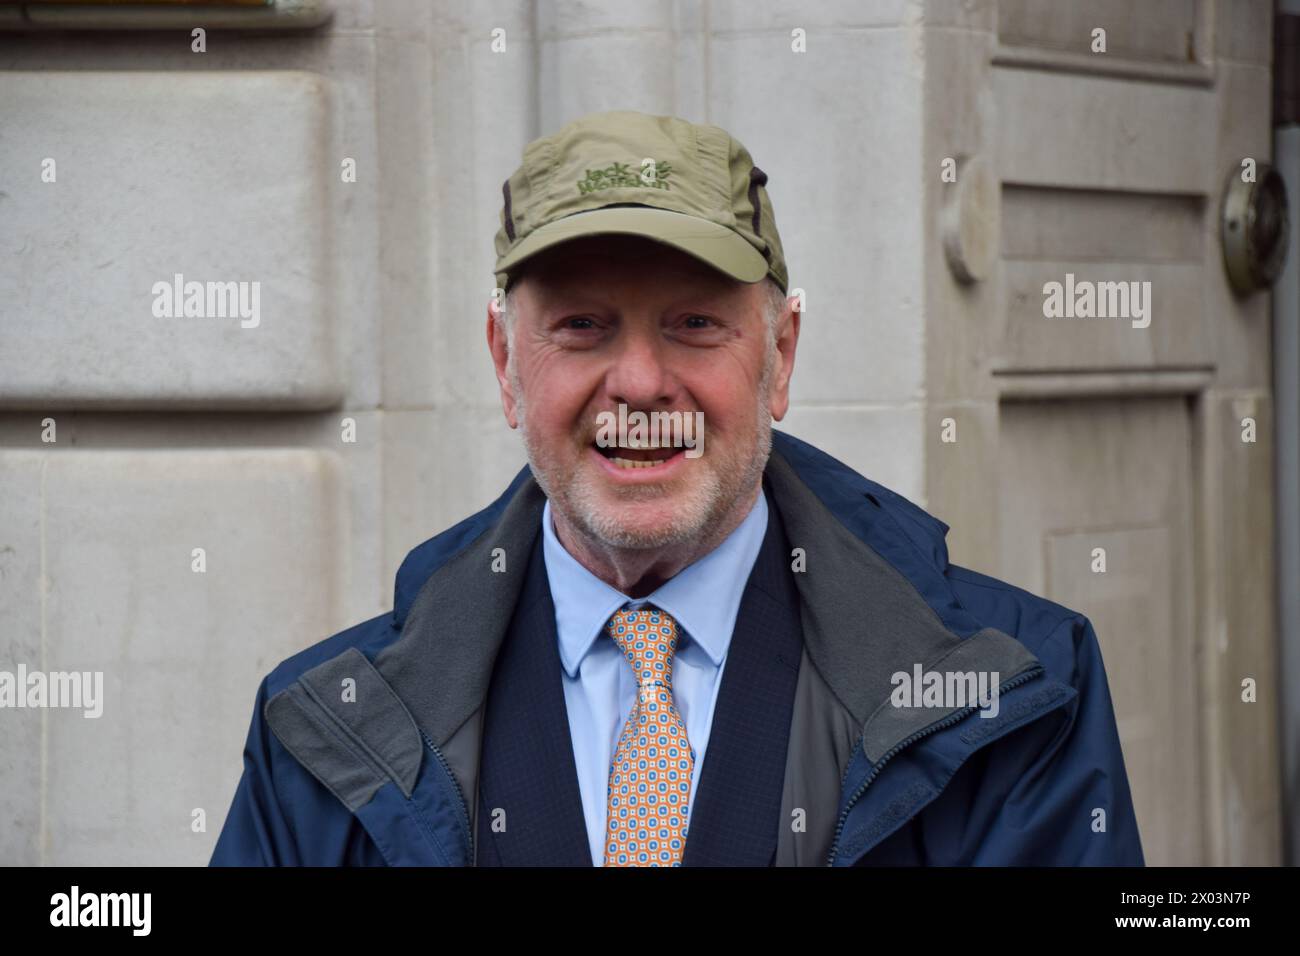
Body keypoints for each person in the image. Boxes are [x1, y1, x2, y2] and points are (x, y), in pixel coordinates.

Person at [210, 110, 1143, 866]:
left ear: (781, 355)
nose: (642, 382)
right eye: (582, 326)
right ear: (504, 361)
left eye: (696, 322)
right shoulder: (328, 733)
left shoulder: (1017, 697)